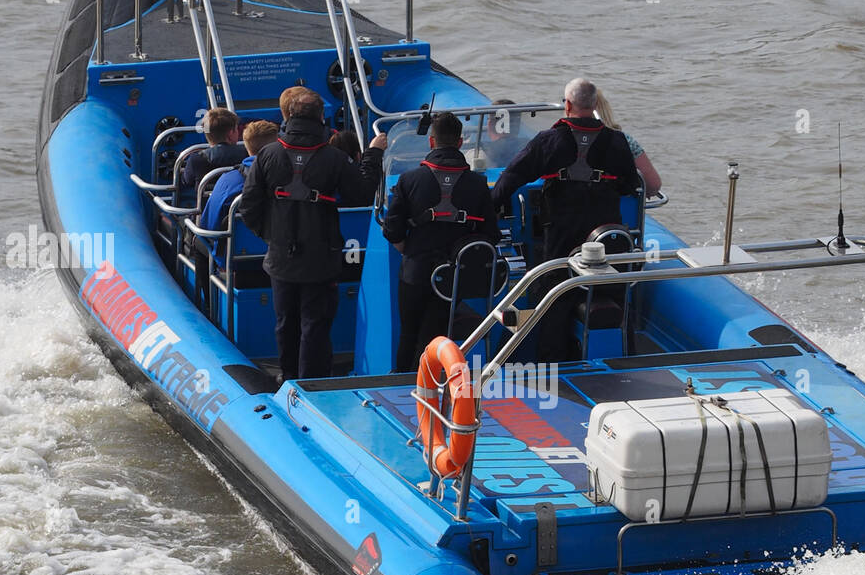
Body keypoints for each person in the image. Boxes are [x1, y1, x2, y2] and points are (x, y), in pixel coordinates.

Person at [490, 78, 639, 360]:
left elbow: (512, 177)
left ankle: (553, 364)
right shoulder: (617, 141)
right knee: (613, 293)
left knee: (554, 297)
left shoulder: (549, 140)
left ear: (567, 105)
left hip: (561, 235)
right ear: (595, 105)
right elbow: (631, 185)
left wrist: (489, 208)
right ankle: (624, 358)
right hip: (604, 237)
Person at [240, 87, 373, 382]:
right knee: (316, 323)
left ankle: (288, 379)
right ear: (320, 117)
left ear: (288, 116)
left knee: (285, 322)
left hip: (280, 257)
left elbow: (249, 206)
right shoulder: (335, 158)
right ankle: (311, 383)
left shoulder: (267, 155)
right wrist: (373, 157)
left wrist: (271, 235)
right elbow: (362, 195)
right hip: (321, 258)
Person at [383, 111, 499, 373]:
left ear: (431, 142)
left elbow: (392, 229)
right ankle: (433, 385)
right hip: (455, 277)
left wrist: (408, 250)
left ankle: (401, 383)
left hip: (415, 272)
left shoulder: (409, 180)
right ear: (459, 143)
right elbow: (490, 234)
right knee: (436, 335)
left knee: (409, 333)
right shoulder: (478, 184)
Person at [196, 120, 280, 270]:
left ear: (247, 146)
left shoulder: (226, 179)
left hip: (235, 264)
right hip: (288, 261)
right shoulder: (293, 180)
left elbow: (208, 230)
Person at [594, 87, 662, 194]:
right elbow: (653, 185)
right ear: (604, 109)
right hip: (616, 207)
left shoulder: (559, 138)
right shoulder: (625, 141)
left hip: (569, 207)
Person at [181, 108, 244, 189]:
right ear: (231, 133)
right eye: (236, 129)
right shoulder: (247, 156)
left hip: (207, 201)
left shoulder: (196, 160)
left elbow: (186, 181)